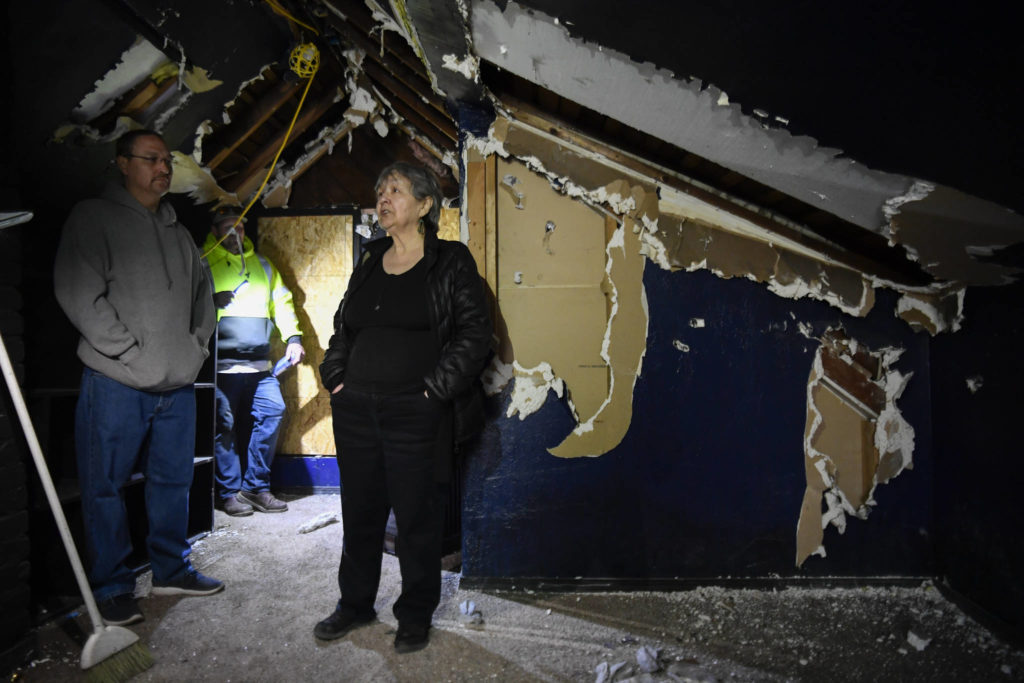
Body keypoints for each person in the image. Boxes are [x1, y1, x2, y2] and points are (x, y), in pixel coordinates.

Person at [315, 162, 491, 653]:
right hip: (357, 410)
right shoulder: (371, 258)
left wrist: (433, 392)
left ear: (425, 204)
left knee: (417, 517)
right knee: (362, 512)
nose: (382, 197)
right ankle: (354, 604)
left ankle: (414, 613)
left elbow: (476, 334)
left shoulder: (450, 260)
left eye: (394, 189)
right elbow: (343, 329)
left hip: (417, 410)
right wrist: (336, 378)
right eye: (379, 189)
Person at [53, 129, 222, 627]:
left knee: (172, 483)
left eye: (166, 160)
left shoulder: (179, 231)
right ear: (123, 164)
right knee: (104, 487)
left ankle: (171, 569)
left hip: (177, 384)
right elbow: (78, 291)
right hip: (115, 382)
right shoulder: (92, 218)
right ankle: (111, 586)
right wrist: (128, 352)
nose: (163, 168)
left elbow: (203, 300)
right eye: (151, 159)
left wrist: (194, 350)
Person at [202, 207, 304, 516]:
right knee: (224, 427)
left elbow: (283, 302)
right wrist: (210, 300)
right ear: (215, 231)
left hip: (260, 367)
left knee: (274, 411)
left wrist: (294, 338)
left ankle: (255, 487)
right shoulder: (202, 262)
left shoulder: (263, 265)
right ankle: (228, 492)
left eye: (240, 228)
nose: (235, 234)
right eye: (227, 228)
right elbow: (182, 303)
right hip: (221, 366)